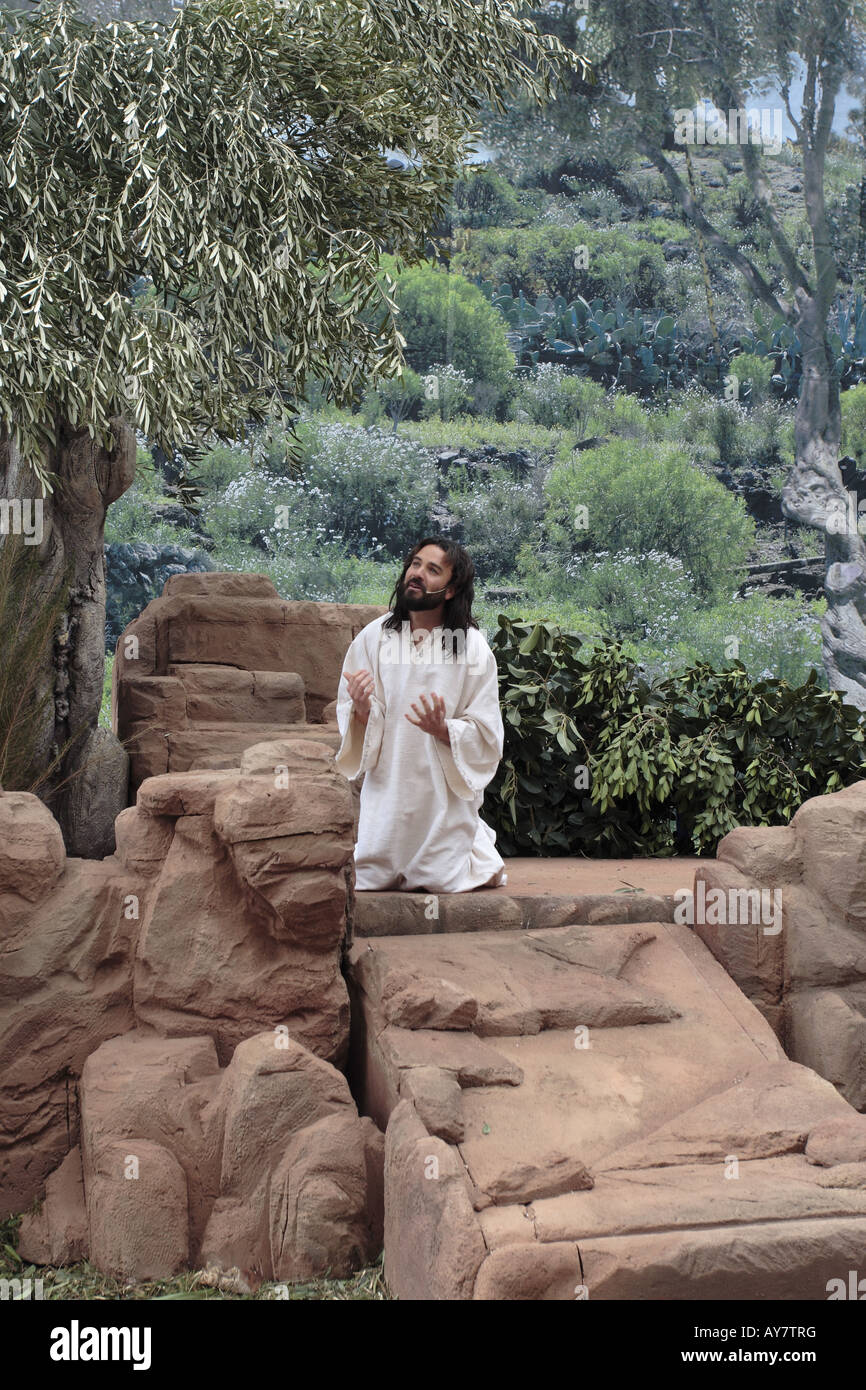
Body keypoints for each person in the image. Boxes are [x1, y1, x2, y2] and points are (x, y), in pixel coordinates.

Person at [334, 536, 507, 892]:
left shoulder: (471, 647)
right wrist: (362, 708)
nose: (417, 574)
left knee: (439, 877)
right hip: (388, 794)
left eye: (432, 570)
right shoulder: (374, 637)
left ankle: (459, 842)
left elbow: (487, 732)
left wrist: (444, 729)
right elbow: (355, 717)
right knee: (372, 874)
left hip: (440, 804)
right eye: (415, 564)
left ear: (450, 589)